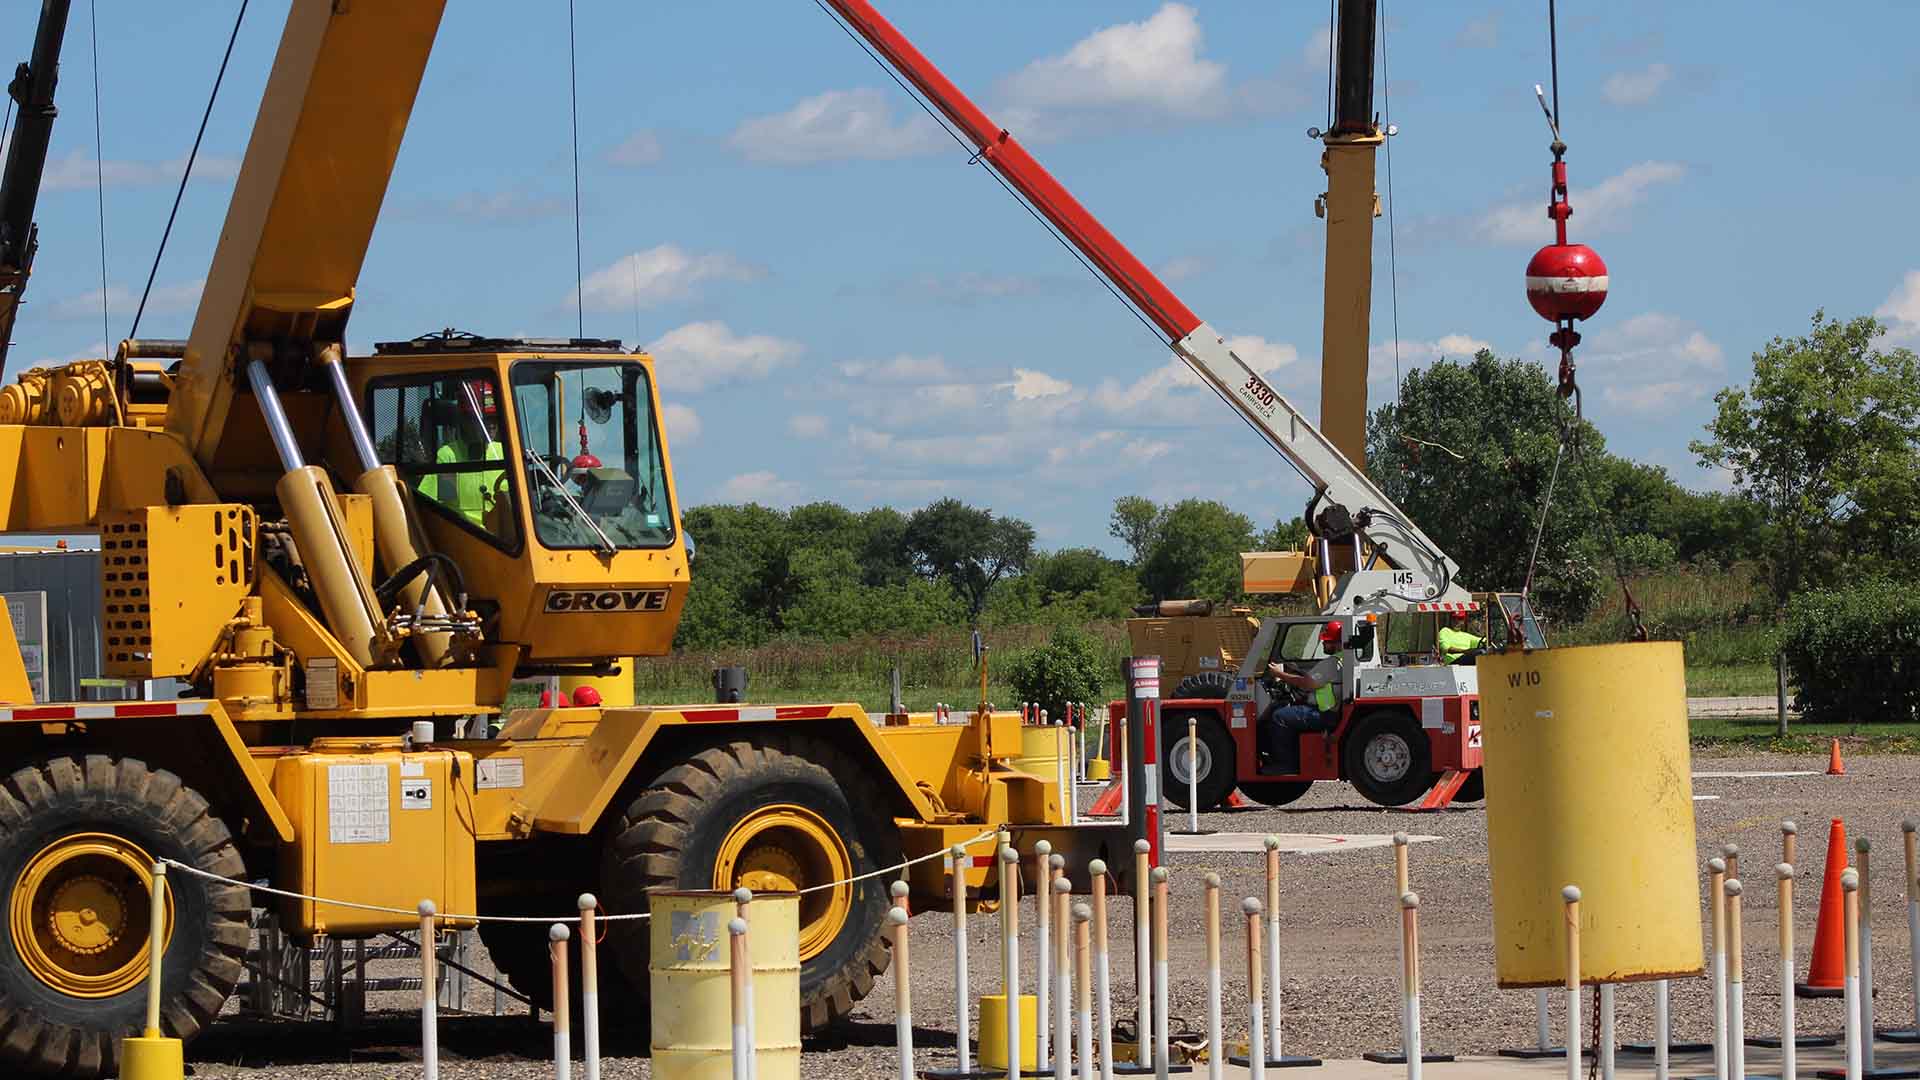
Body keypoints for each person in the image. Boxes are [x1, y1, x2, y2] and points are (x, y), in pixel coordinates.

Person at [1262, 621, 1345, 774]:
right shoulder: (1344, 660)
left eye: (1326, 641)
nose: (1323, 644)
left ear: (1336, 643)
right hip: (1331, 712)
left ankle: (1285, 764)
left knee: (1279, 716)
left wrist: (1279, 674)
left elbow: (1306, 684)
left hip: (1322, 714)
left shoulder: (1331, 663)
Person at [420, 382, 505, 528]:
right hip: (467, 535)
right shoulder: (449, 457)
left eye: (494, 418)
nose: (491, 425)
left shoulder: (504, 453)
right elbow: (441, 508)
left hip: (504, 535)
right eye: (484, 419)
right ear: (464, 421)